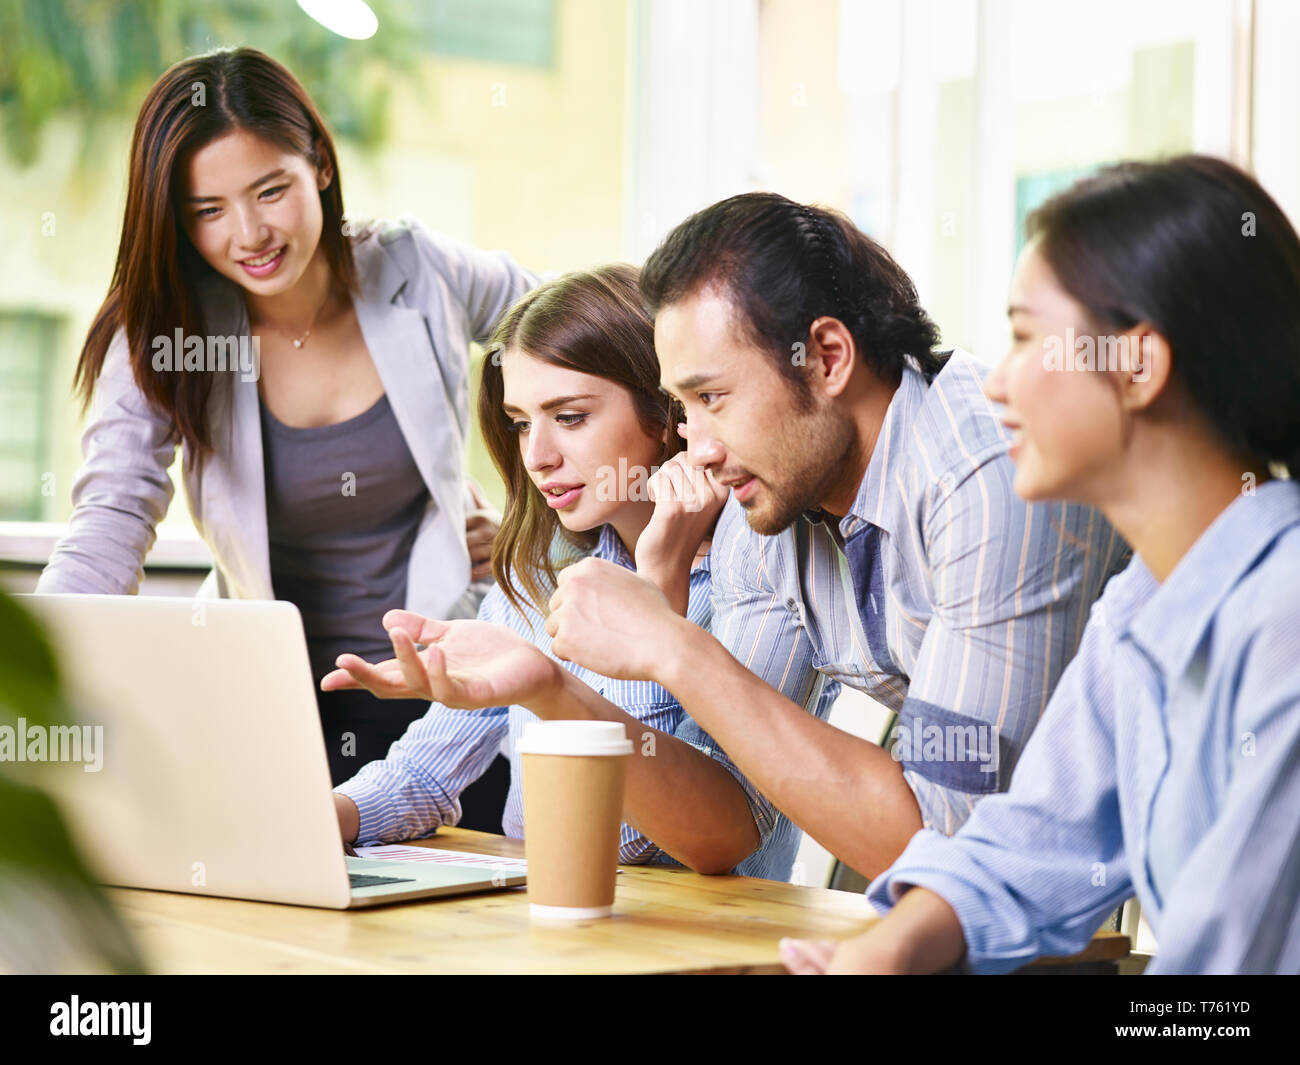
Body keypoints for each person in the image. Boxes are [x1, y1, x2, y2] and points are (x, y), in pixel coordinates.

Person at [781, 155, 1300, 975]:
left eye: (1026, 337)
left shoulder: (1283, 617)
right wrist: (891, 951)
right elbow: (1029, 846)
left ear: (1139, 365)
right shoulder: (1143, 604)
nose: (998, 384)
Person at [537, 192, 1130, 879]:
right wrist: (549, 688)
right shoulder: (770, 504)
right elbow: (725, 824)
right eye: (682, 405)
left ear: (827, 356)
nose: (694, 446)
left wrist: (679, 649)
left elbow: (949, 840)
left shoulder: (986, 474)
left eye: (713, 398)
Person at [35, 48, 534, 824]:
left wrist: (533, 539)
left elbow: (590, 353)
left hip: (440, 702)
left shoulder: (415, 267)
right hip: (277, 710)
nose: (249, 233)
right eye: (208, 210)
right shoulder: (168, 332)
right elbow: (109, 523)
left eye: (272, 190)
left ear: (321, 168)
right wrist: (28, 691)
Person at [325, 265, 800, 877]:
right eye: (523, 422)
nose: (537, 456)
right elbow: (420, 775)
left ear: (664, 413)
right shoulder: (540, 573)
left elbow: (626, 840)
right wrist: (306, 819)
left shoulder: (764, 571)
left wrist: (654, 589)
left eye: (570, 417)